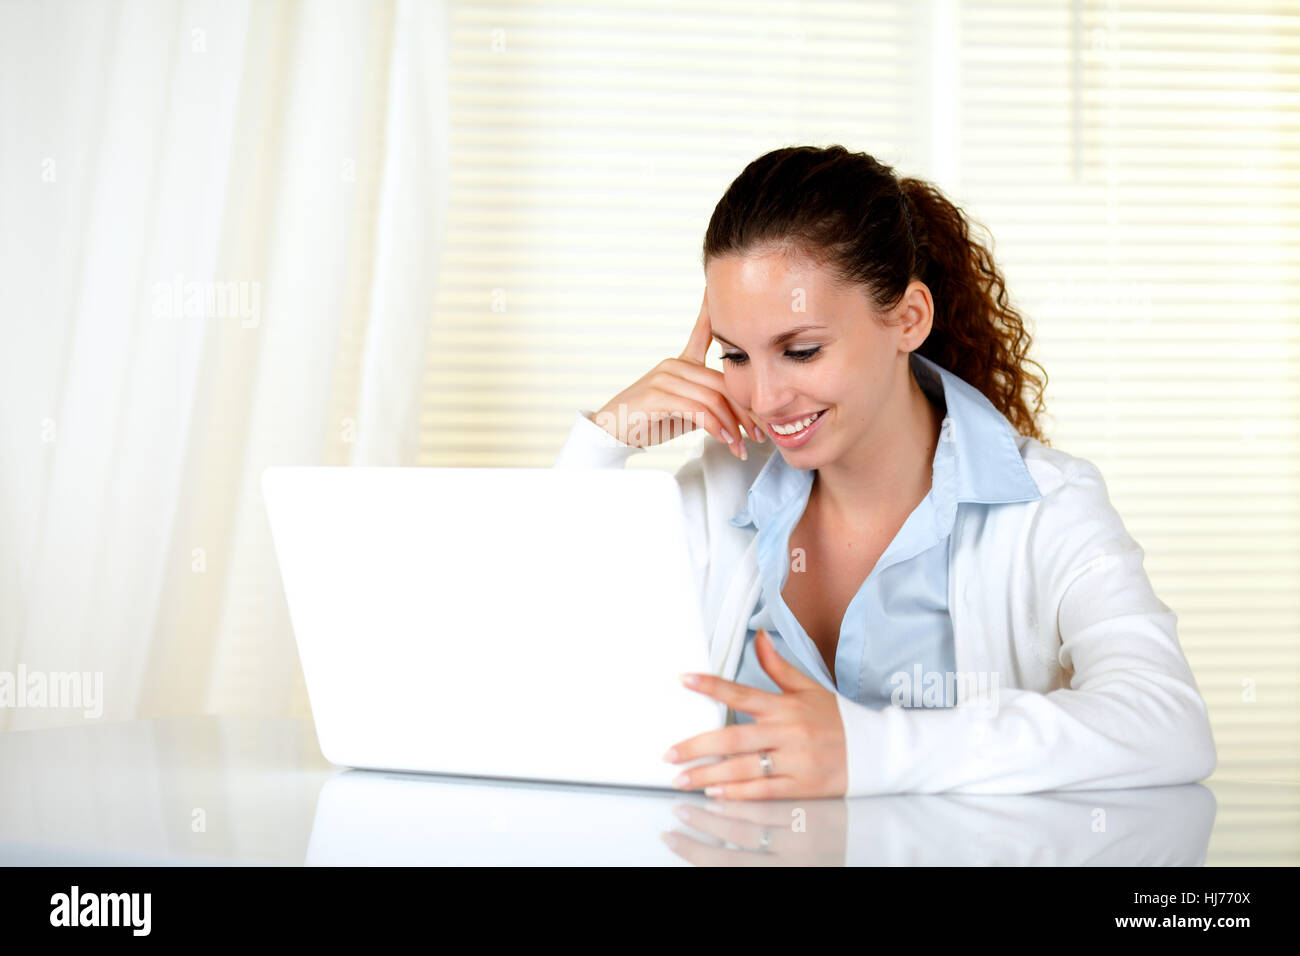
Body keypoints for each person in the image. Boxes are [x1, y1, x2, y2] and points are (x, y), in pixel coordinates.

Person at [553, 144, 1216, 799]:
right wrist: (604, 442)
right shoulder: (720, 490)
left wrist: (870, 751)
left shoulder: (1048, 506)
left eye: (801, 350)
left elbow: (1166, 722)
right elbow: (553, 657)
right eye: (735, 355)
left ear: (908, 319)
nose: (763, 396)